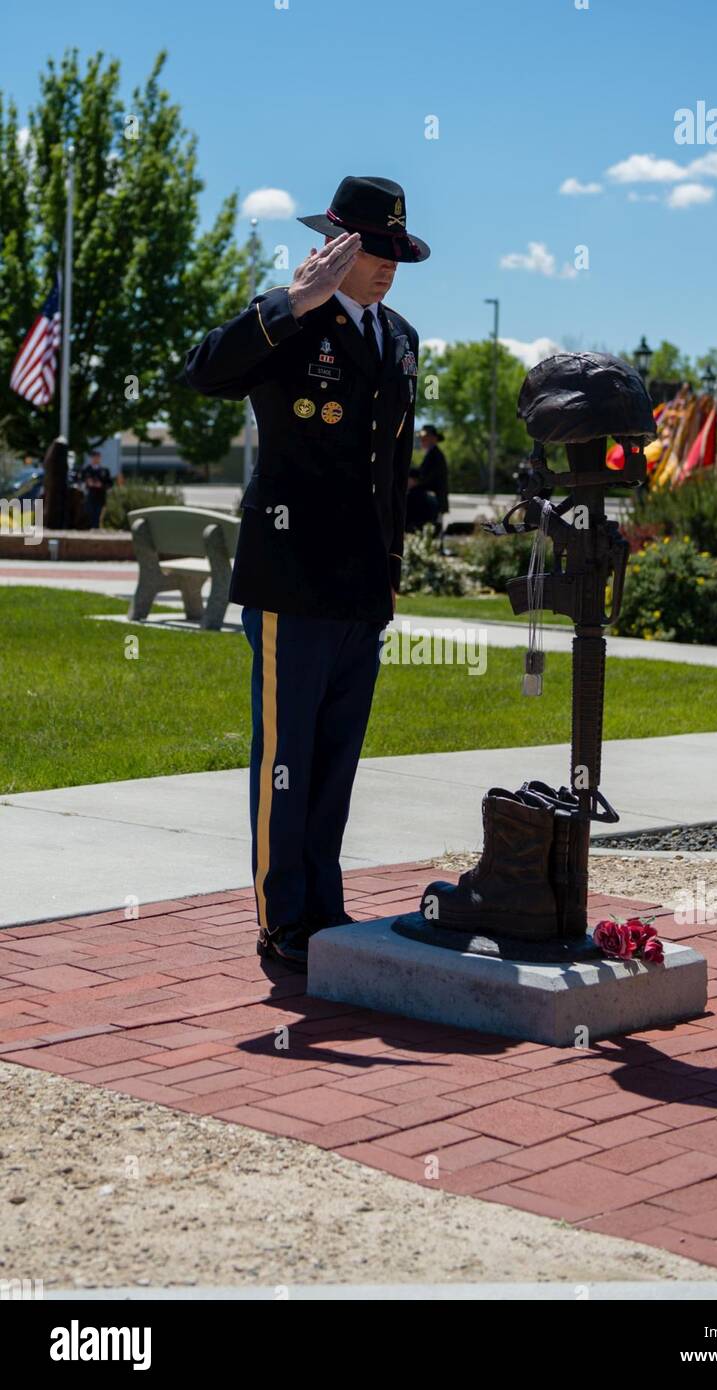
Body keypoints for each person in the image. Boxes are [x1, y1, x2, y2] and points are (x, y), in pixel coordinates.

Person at [183, 175, 428, 967]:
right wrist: (289, 303)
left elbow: (392, 469)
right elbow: (203, 373)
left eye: (395, 251)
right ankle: (281, 915)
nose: (387, 266)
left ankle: (325, 903)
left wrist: (391, 568)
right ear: (334, 248)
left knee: (336, 757)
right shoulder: (286, 319)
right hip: (291, 576)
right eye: (372, 250)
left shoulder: (401, 338)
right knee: (286, 759)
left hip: (362, 585)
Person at [417, 424, 449, 522]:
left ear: (434, 438)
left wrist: (416, 482)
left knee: (433, 532)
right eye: (422, 437)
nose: (422, 440)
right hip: (432, 502)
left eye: (425, 437)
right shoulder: (432, 454)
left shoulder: (435, 455)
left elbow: (430, 478)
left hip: (434, 503)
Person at [79, 450, 113, 528]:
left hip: (100, 495)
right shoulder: (86, 469)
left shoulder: (104, 470)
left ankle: (96, 528)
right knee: (89, 512)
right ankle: (89, 527)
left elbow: (110, 484)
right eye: (94, 457)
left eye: (98, 457)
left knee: (98, 513)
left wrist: (101, 485)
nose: (96, 459)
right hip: (89, 495)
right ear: (92, 458)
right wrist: (87, 483)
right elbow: (80, 481)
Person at [404, 467, 440, 533]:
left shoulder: (412, 496)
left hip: (414, 530)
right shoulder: (429, 495)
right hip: (428, 530)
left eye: (408, 479)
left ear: (414, 480)